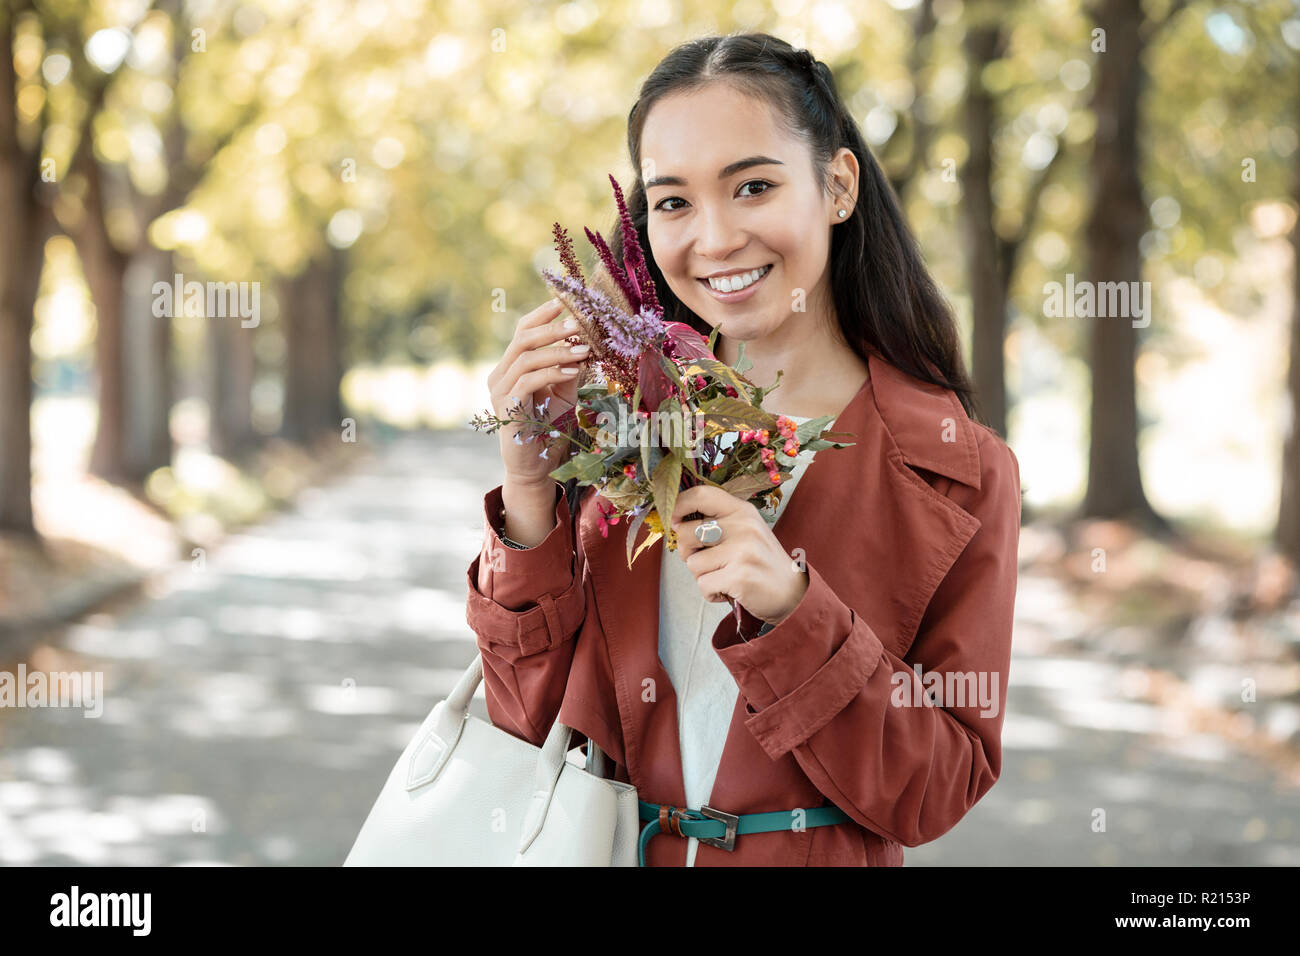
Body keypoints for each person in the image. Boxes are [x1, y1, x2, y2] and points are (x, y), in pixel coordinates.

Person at [465, 32, 1022, 866]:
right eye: (674, 202)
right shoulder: (621, 424)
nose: (715, 239)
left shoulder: (956, 468)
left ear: (838, 186)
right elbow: (523, 720)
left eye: (753, 186)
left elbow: (937, 789)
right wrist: (529, 490)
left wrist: (800, 617)